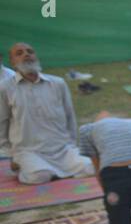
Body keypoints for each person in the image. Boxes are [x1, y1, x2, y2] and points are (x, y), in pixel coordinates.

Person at [0, 43, 95, 184]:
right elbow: (2, 123)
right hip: (28, 151)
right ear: (13, 62)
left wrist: (73, 146)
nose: (26, 55)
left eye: (30, 51)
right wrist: (11, 155)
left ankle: (55, 172)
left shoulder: (57, 83)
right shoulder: (5, 88)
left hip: (62, 149)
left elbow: (70, 117)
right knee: (39, 176)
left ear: (36, 57)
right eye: (19, 53)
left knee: (90, 167)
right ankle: (34, 169)